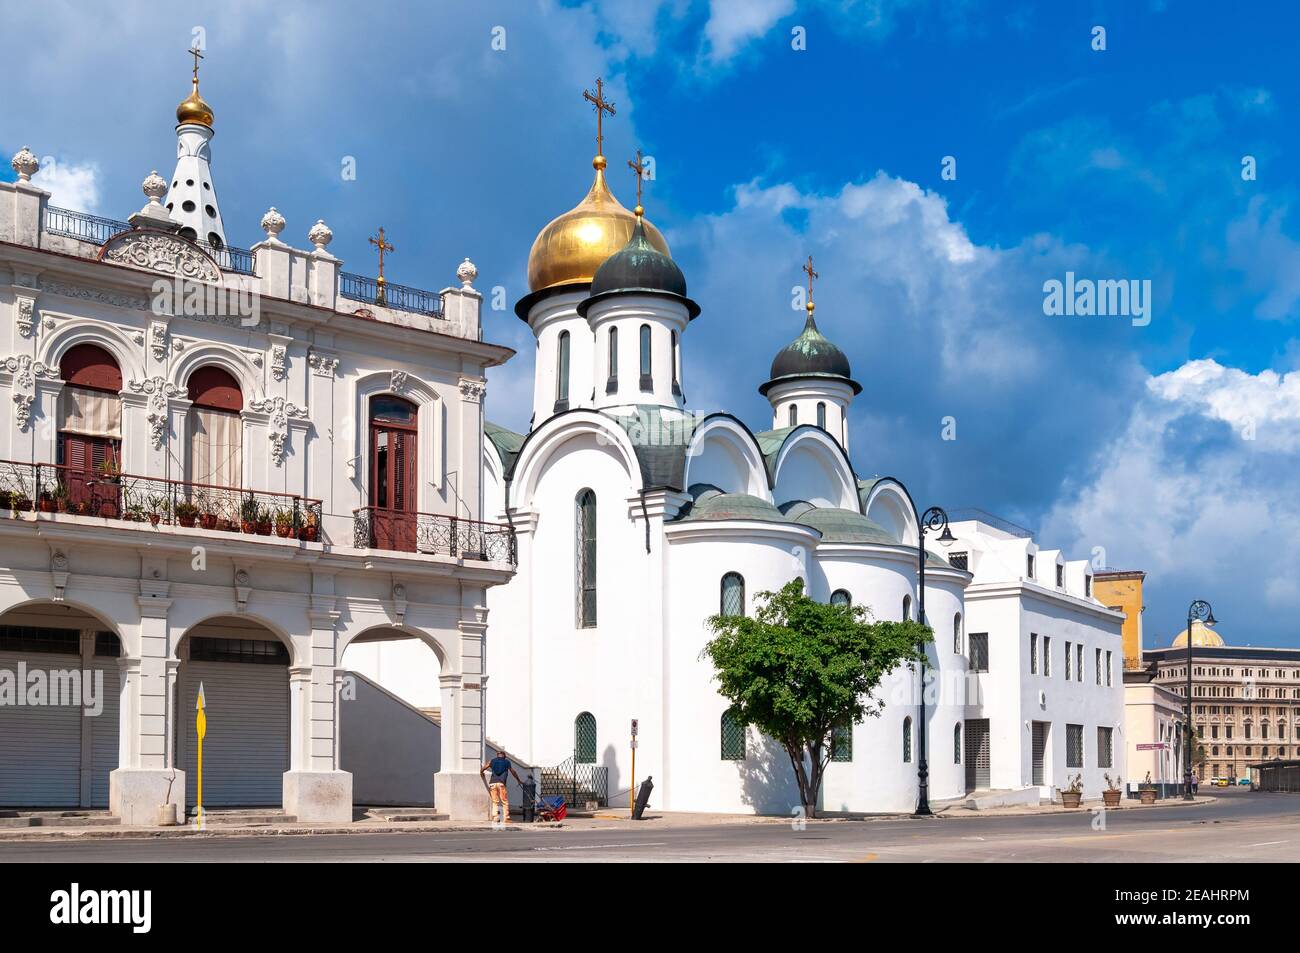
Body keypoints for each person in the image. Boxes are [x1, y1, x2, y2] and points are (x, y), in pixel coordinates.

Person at [481, 749, 524, 824]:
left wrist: (481, 772)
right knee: (504, 801)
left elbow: (484, 767)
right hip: (501, 783)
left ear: (497, 755)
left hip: (492, 783)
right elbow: (513, 772)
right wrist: (518, 780)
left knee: (495, 801)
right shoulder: (506, 762)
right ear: (504, 756)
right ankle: (506, 818)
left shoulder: (492, 761)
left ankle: (495, 817)